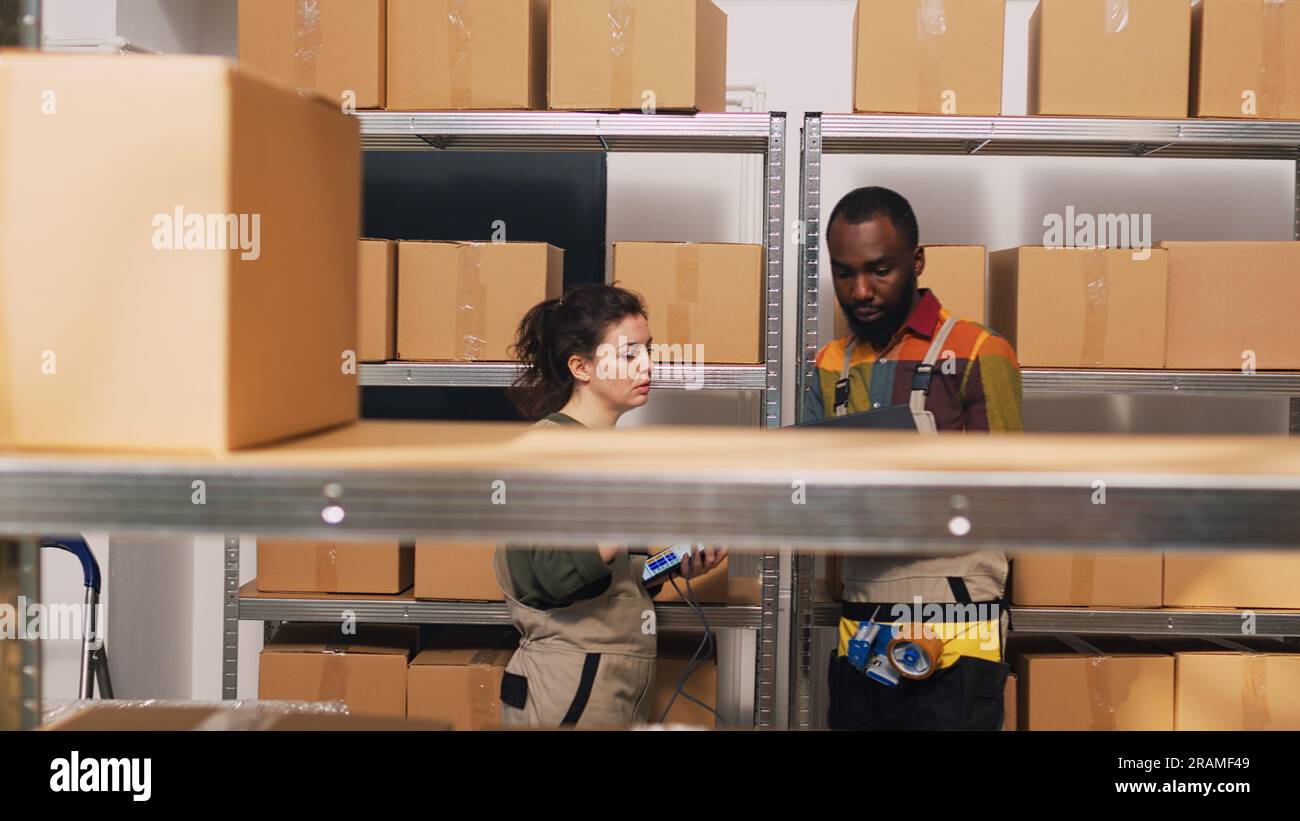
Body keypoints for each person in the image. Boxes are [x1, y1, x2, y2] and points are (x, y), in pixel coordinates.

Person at [804, 187, 1024, 730]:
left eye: (880, 270)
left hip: (956, 626)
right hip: (863, 624)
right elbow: (805, 490)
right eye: (844, 273)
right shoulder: (830, 363)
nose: (861, 291)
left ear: (917, 262)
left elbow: (1015, 494)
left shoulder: (977, 350)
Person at [495, 283, 727, 728]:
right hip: (570, 687)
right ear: (581, 367)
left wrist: (669, 565)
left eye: (648, 350)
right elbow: (551, 576)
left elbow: (600, 573)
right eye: (628, 354)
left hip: (608, 681)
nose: (647, 365)